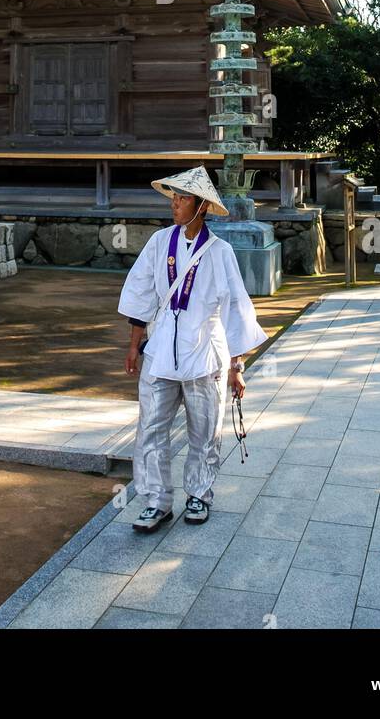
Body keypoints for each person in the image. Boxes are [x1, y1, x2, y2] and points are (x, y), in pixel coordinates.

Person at [118, 166, 267, 531]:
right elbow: (141, 294)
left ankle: (199, 495)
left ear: (201, 206)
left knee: (204, 431)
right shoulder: (159, 243)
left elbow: (235, 308)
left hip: (204, 353)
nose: (175, 204)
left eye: (183, 198)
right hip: (161, 352)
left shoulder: (220, 252)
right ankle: (156, 501)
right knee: (150, 429)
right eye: (174, 196)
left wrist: (237, 366)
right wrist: (135, 346)